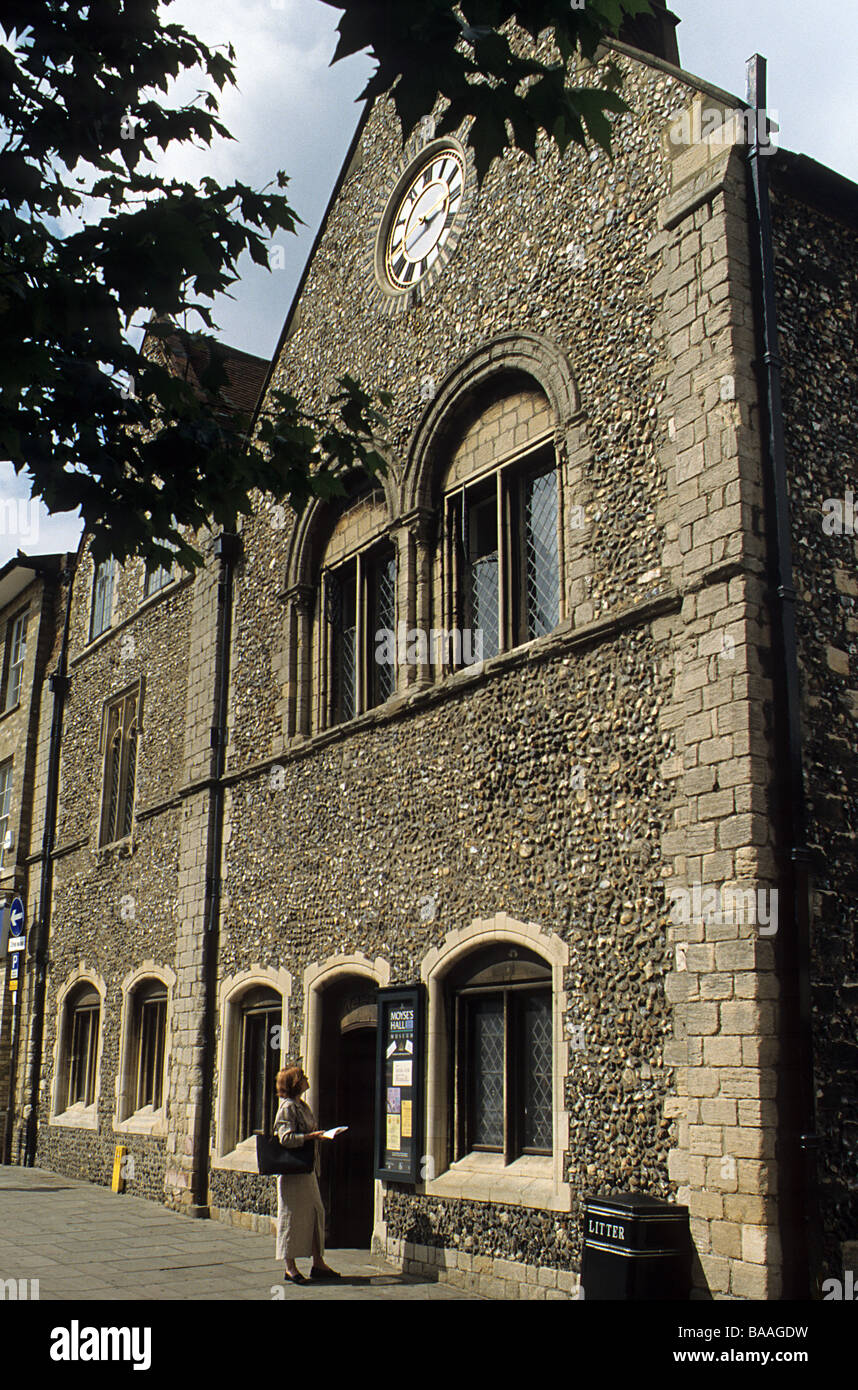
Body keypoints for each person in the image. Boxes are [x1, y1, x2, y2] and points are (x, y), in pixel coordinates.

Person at [273, 1065, 341, 1283]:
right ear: (295, 1083)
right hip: (293, 1172)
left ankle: (318, 1263)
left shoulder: (302, 1105)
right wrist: (311, 1137)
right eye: (302, 1077)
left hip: (307, 1169)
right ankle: (289, 1267)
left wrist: (317, 1136)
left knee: (315, 1211)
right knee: (290, 1216)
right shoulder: (287, 1108)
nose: (307, 1079)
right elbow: (285, 1138)